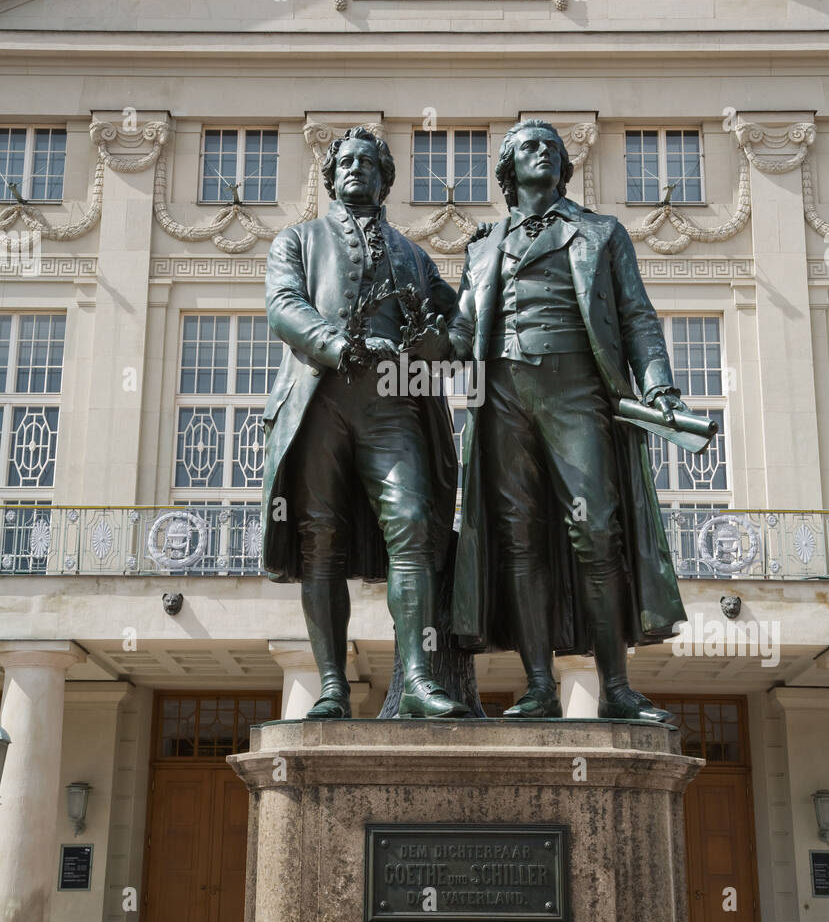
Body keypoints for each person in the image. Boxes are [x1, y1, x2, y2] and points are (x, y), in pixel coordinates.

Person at [448, 120, 689, 721]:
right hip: (501, 394)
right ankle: (536, 686)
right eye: (530, 146)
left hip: (577, 391)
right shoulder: (482, 246)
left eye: (553, 147)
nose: (544, 153)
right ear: (508, 168)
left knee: (597, 531)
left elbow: (636, 316)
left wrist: (657, 381)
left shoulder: (602, 233)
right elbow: (458, 333)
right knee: (518, 538)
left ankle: (617, 688)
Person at [261, 126, 468, 720]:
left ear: (385, 178)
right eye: (345, 161)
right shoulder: (296, 239)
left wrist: (436, 344)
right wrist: (334, 342)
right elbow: (284, 305)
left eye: (368, 162)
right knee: (320, 539)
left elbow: (459, 327)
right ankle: (331, 687)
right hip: (320, 399)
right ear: (331, 175)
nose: (355, 169)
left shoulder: (414, 254)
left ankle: (420, 682)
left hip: (393, 403)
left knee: (412, 525)